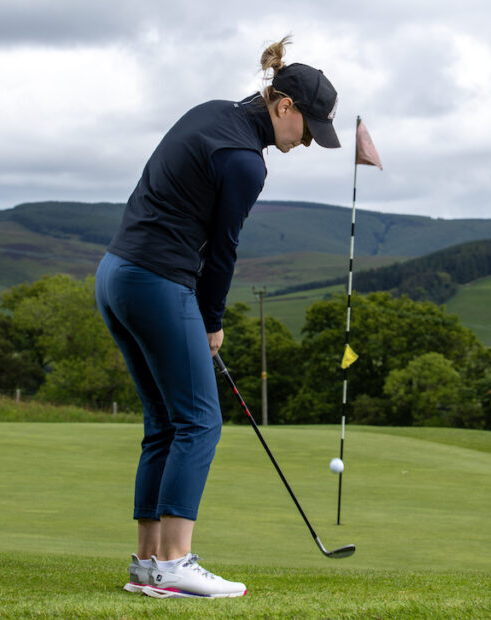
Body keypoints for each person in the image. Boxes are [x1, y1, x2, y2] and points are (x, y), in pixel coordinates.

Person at [94, 36, 340, 599]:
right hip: (157, 282)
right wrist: (211, 322)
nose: (305, 142)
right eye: (307, 129)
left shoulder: (210, 113)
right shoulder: (245, 162)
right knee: (200, 422)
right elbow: (223, 251)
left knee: (164, 422)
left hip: (116, 274)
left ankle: (148, 564)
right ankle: (175, 564)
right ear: (283, 106)